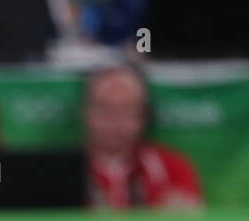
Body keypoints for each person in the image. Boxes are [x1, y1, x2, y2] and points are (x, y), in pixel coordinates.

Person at [82, 62, 203, 210]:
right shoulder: (59, 173)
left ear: (143, 115)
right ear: (85, 111)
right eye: (104, 108)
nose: (115, 121)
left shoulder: (173, 168)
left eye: (127, 110)